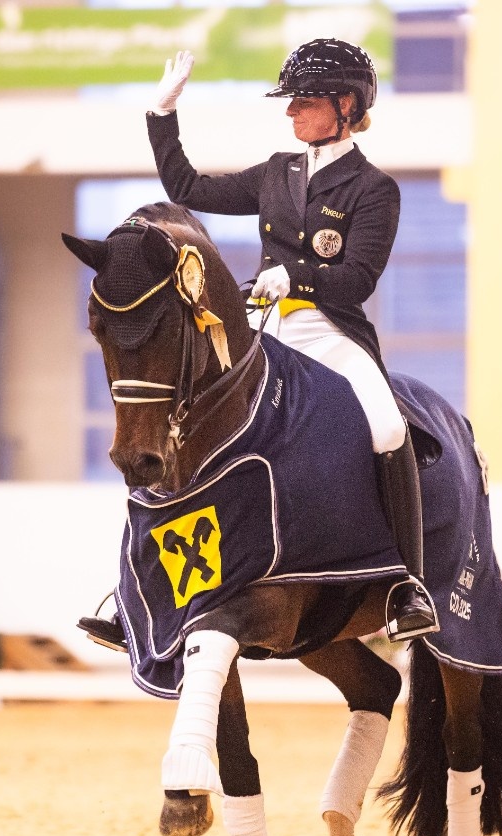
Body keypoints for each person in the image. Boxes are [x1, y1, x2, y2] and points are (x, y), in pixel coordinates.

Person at [80, 39, 438, 649]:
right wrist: (162, 115)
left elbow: (357, 280)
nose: (291, 111)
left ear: (346, 106)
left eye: (305, 101)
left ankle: (407, 585)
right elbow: (187, 186)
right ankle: (131, 590)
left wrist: (295, 276)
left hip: (327, 329)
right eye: (291, 101)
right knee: (173, 425)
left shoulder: (373, 189)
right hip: (258, 324)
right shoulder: (278, 173)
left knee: (386, 426)